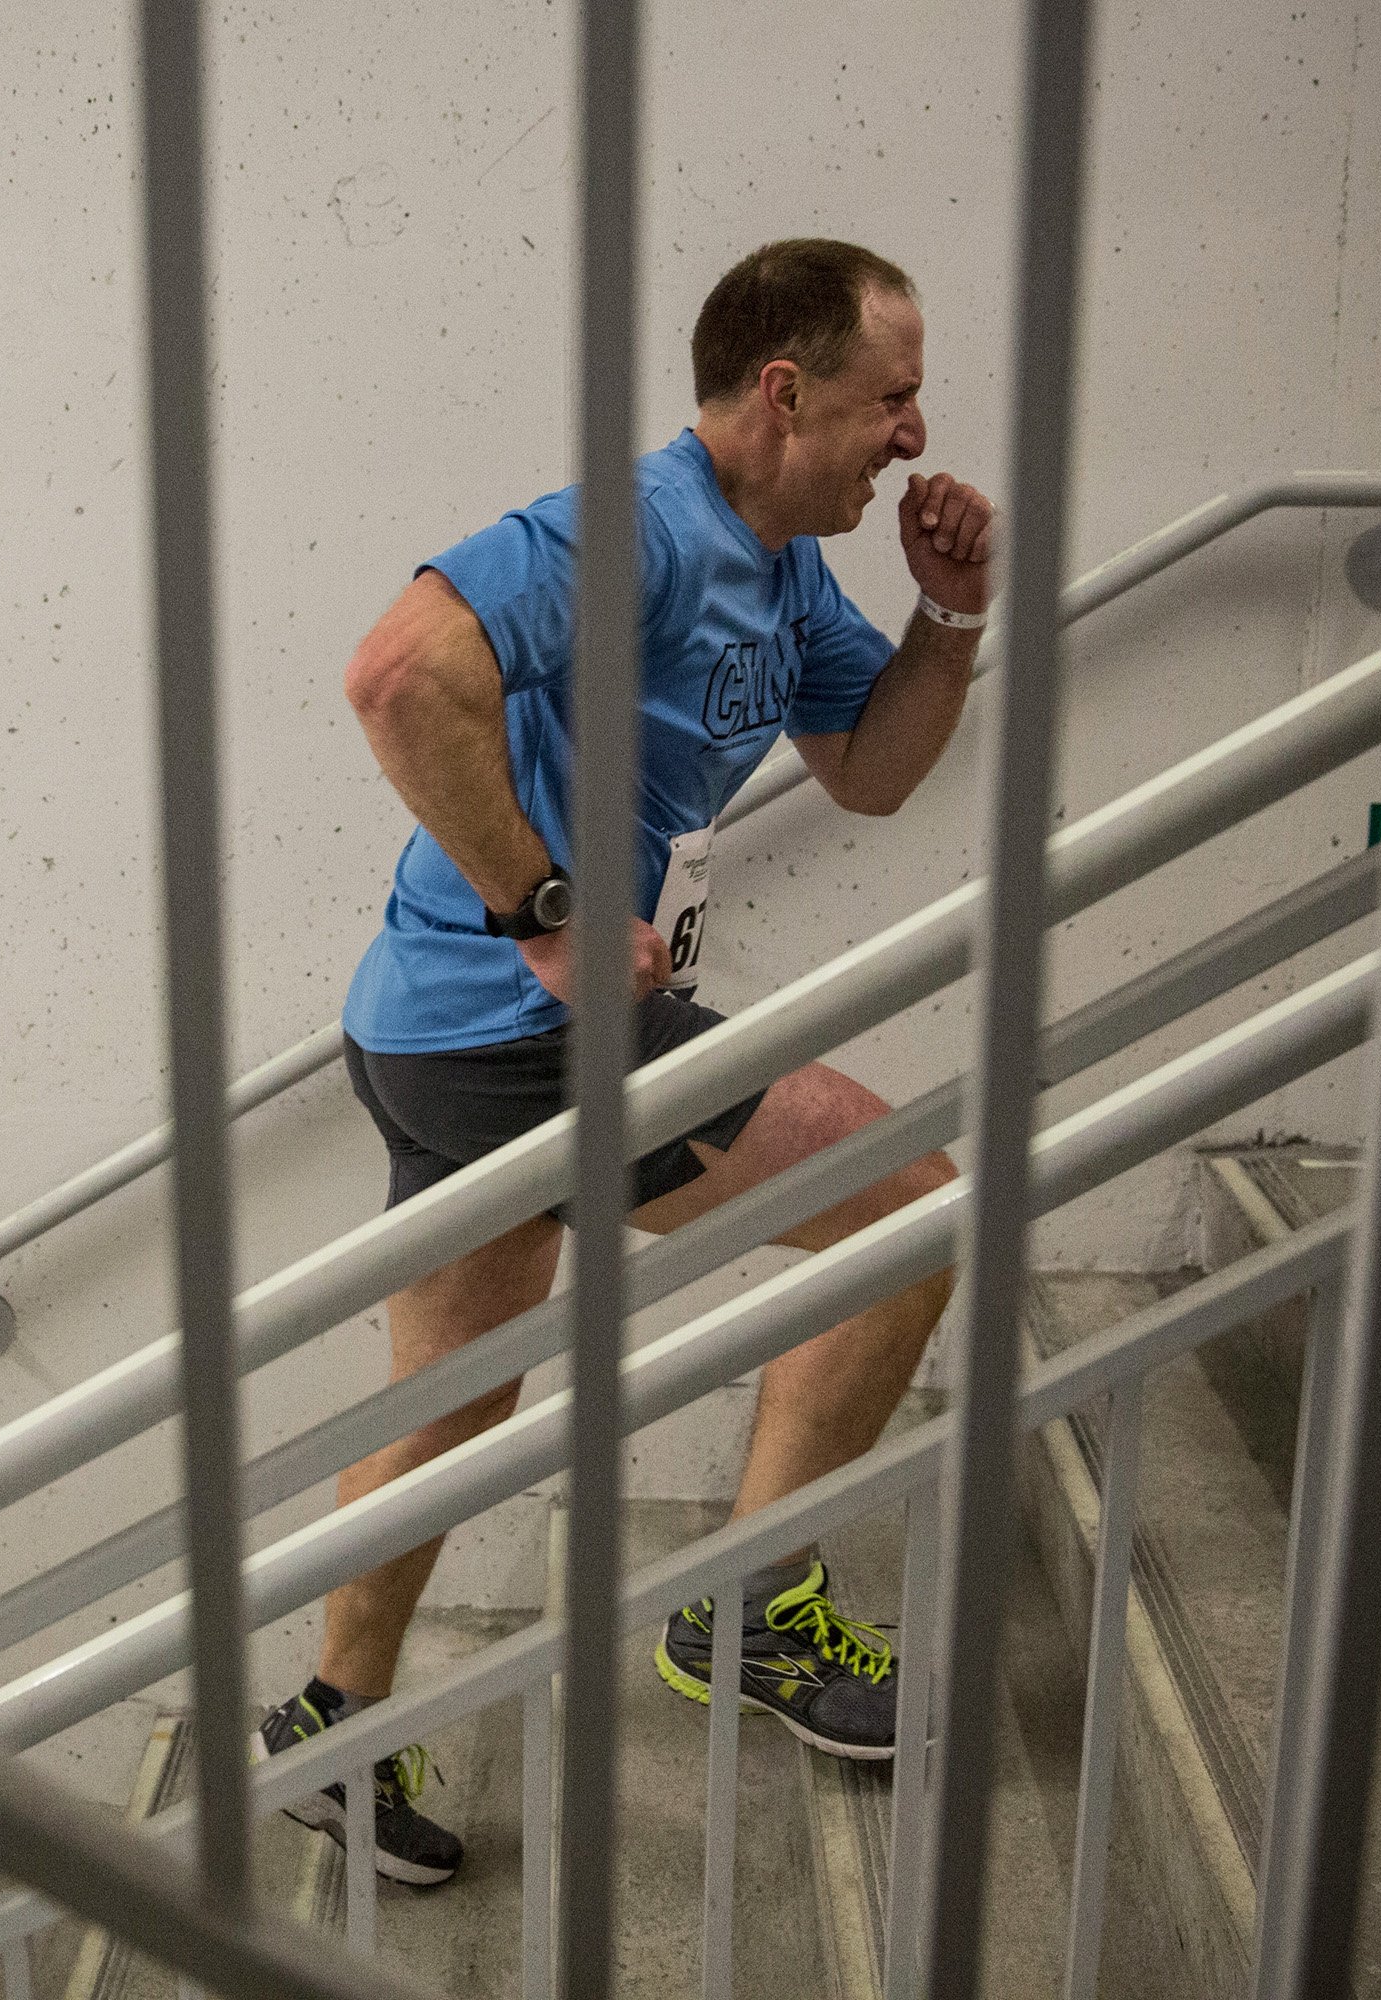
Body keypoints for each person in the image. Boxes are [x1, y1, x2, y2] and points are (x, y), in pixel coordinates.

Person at [252, 239, 993, 1885]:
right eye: (891, 400)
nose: (915, 436)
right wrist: (551, 909)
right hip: (524, 1030)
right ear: (784, 393)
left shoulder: (784, 568)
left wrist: (948, 615)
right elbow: (397, 675)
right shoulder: (632, 532)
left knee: (459, 1392)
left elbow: (870, 772)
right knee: (915, 1214)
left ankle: (328, 1725)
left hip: (443, 1030)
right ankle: (747, 1614)